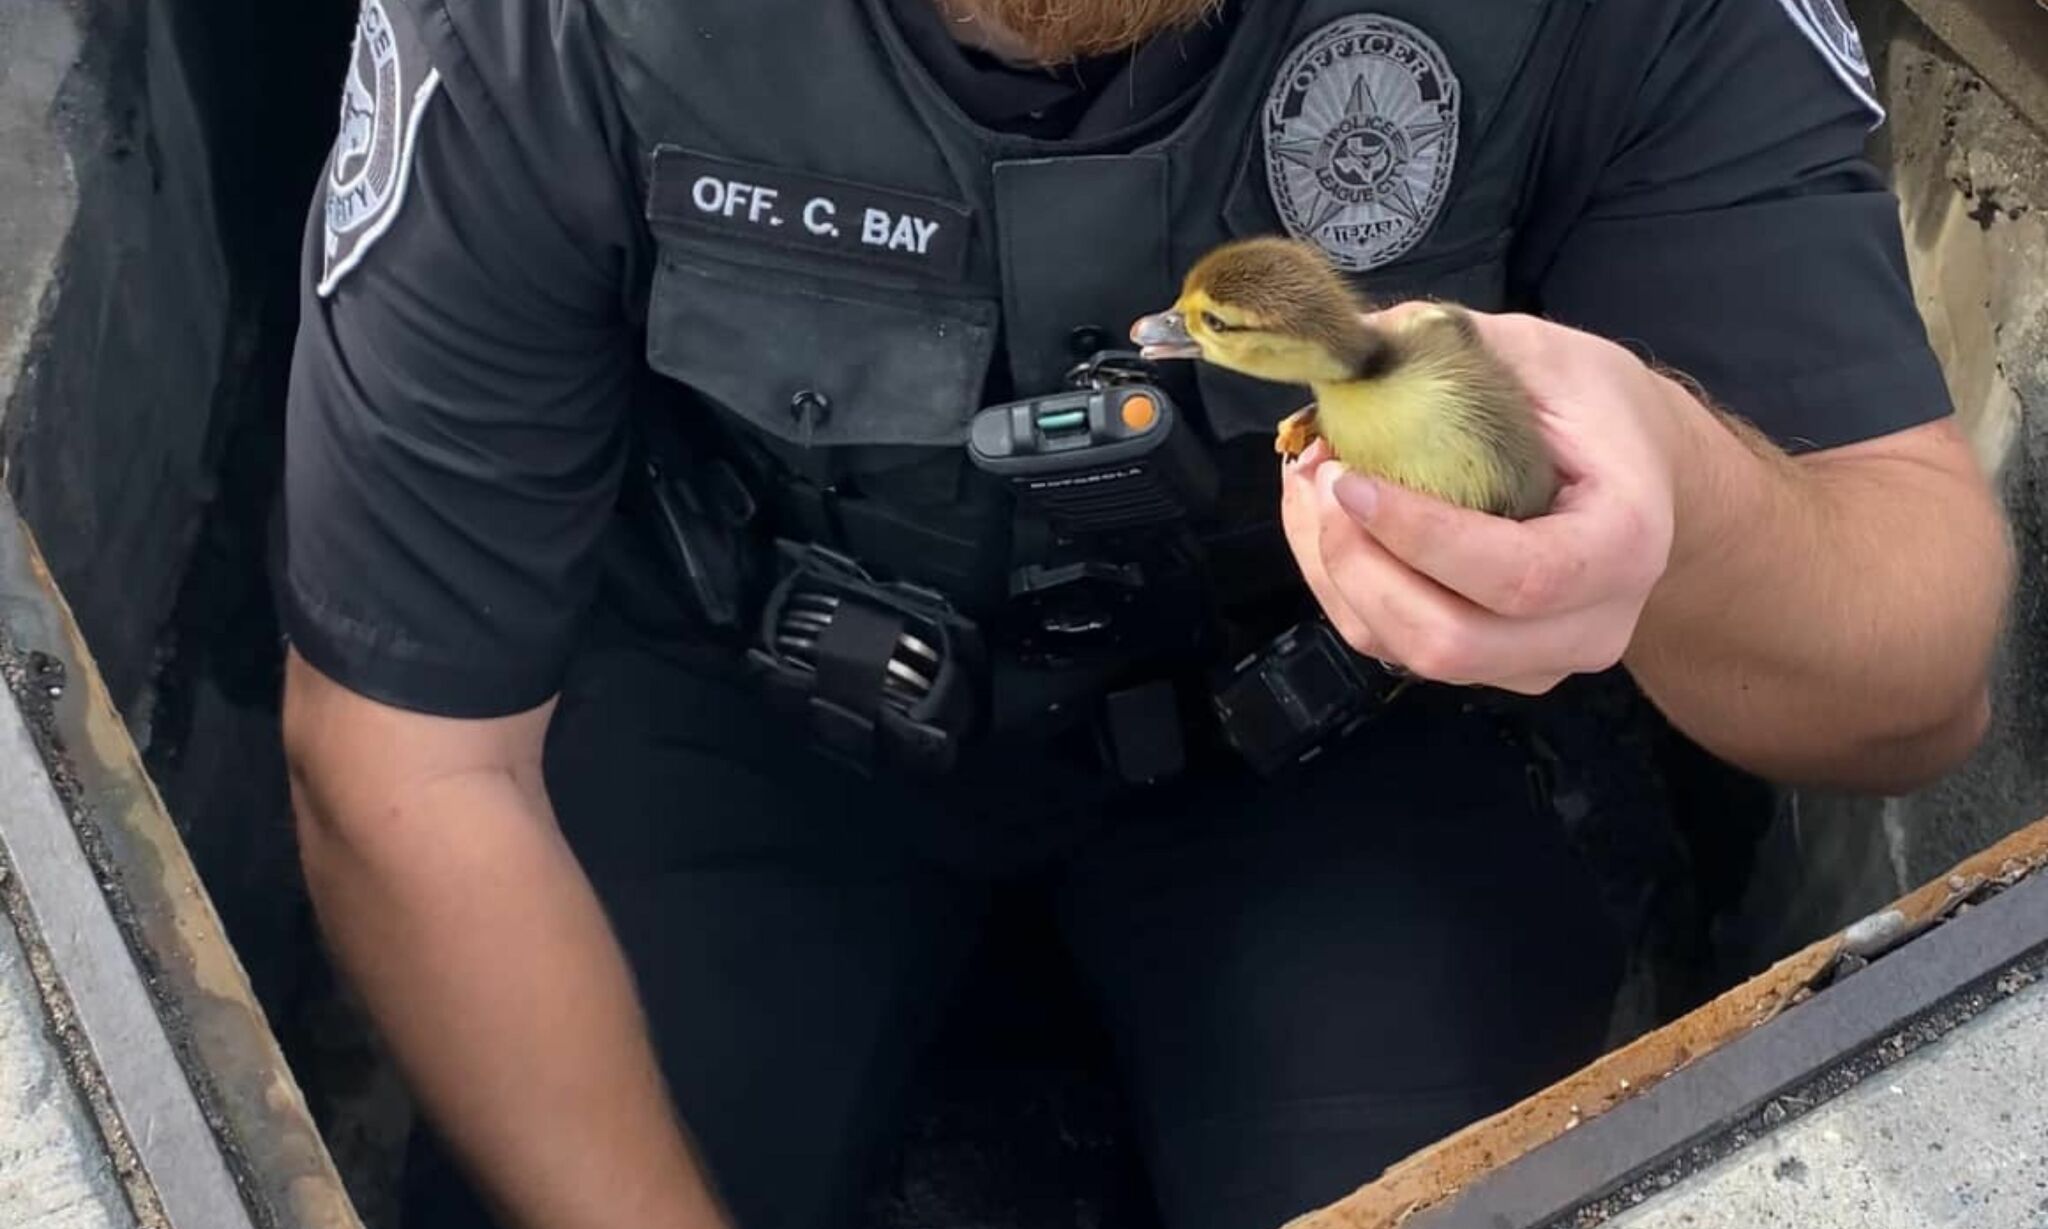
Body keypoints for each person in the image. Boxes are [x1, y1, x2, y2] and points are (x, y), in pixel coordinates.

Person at [276, 1, 2010, 1228]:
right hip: (746, 725)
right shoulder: (527, 27)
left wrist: (1673, 501)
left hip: (1342, 756)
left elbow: (1918, 670)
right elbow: (409, 760)